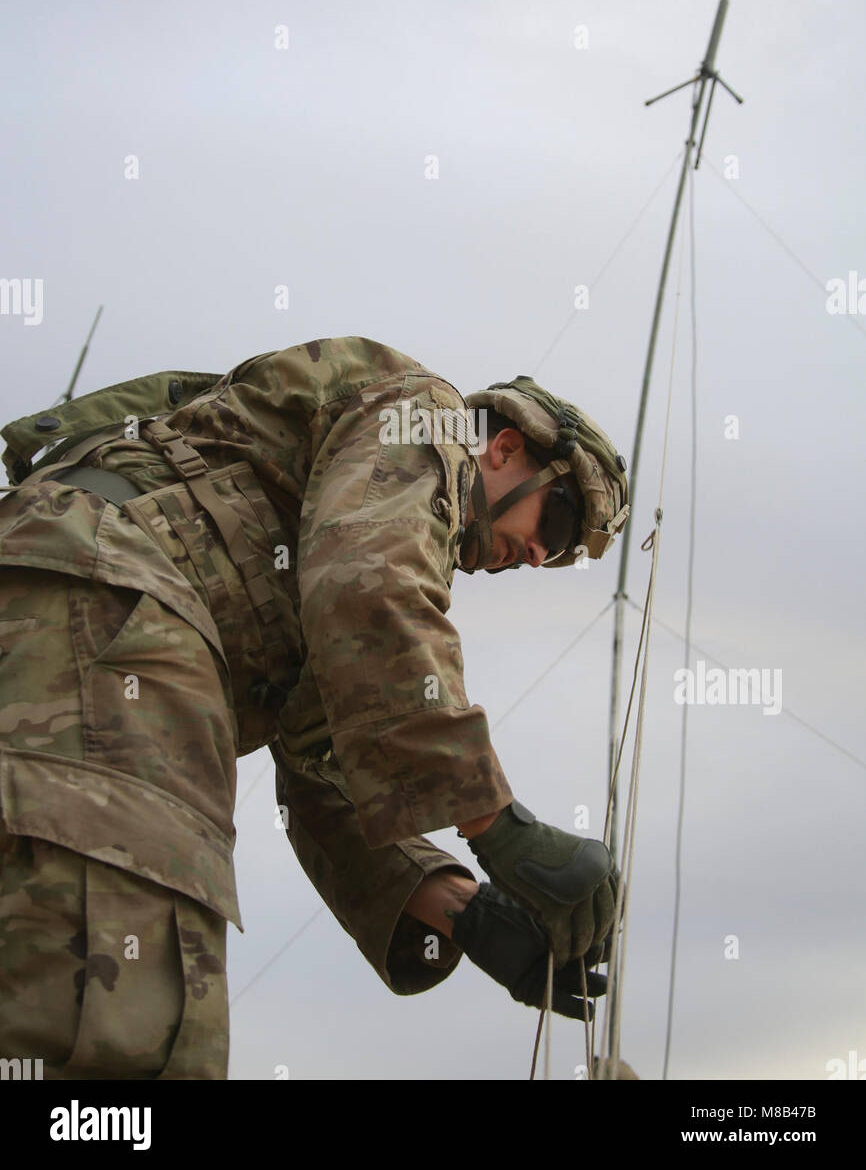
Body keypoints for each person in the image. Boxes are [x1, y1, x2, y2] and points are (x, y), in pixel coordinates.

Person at [0, 335, 629, 1079]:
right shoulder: (426, 417)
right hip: (106, 604)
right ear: (507, 448)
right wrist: (501, 828)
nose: (538, 558)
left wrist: (467, 910)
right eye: (554, 527)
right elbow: (370, 590)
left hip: (73, 620)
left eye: (558, 559)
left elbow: (322, 767)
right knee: (127, 1023)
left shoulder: (341, 542)